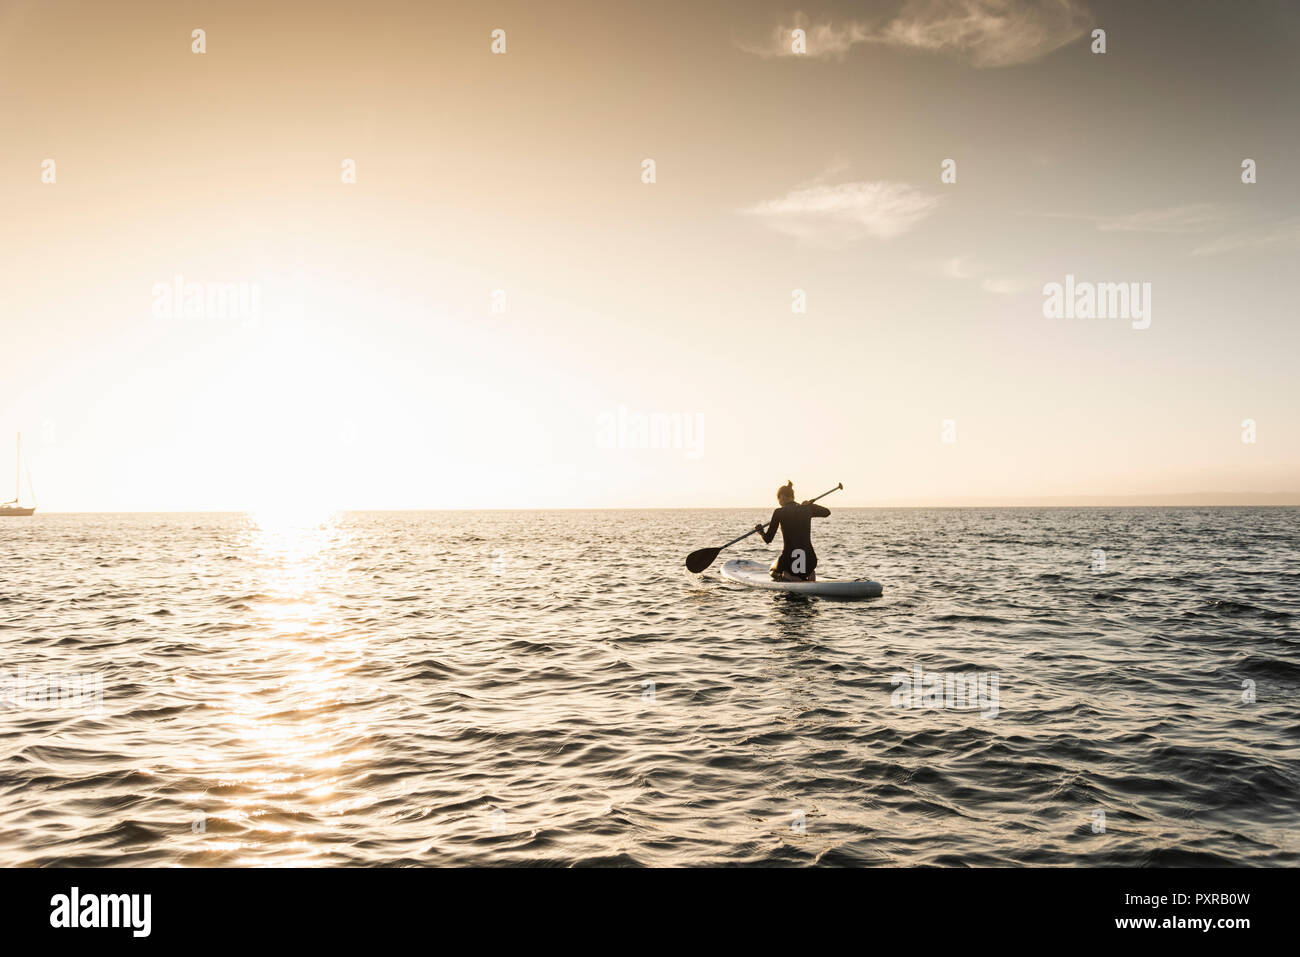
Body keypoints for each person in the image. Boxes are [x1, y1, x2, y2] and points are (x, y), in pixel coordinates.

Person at [754, 480, 830, 581]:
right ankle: (810, 574)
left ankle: (788, 576)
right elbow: (827, 512)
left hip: (789, 561)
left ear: (781, 496)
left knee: (772, 571)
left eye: (778, 499)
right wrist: (811, 505)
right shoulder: (807, 508)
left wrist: (761, 532)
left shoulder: (779, 512)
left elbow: (768, 539)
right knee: (805, 567)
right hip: (810, 561)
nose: (779, 502)